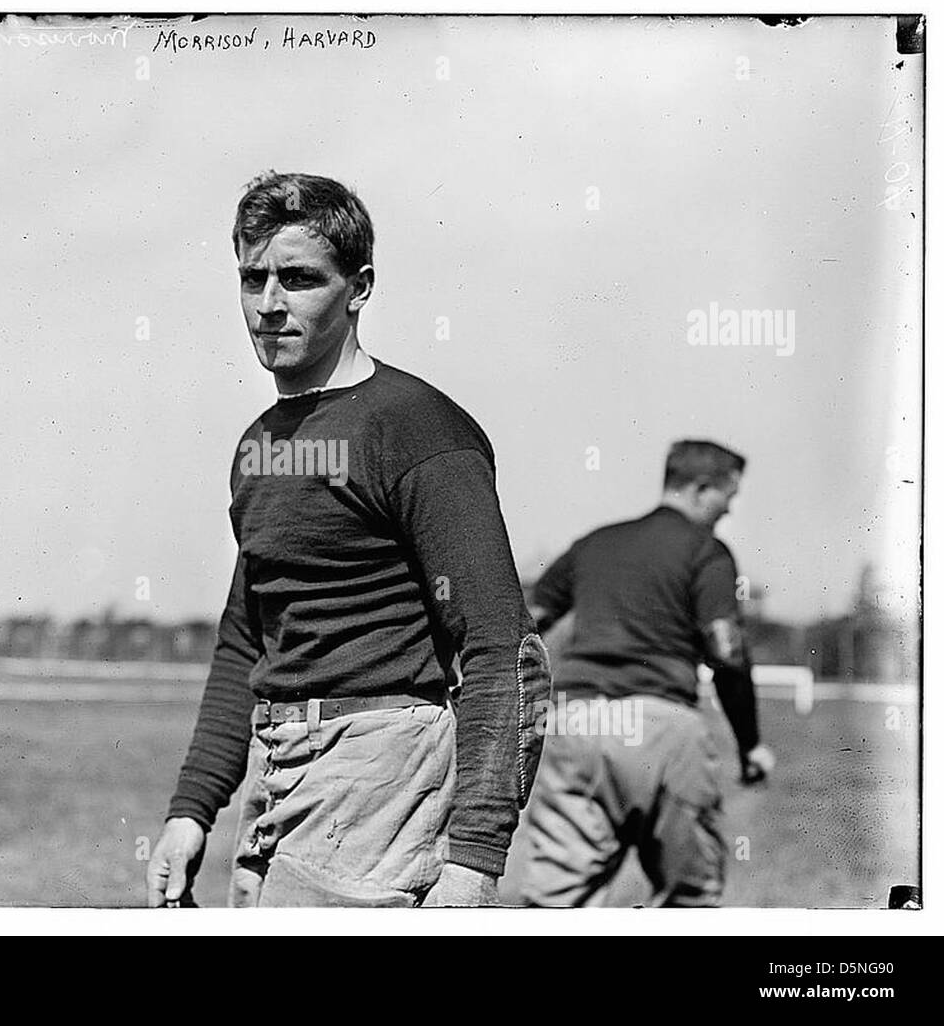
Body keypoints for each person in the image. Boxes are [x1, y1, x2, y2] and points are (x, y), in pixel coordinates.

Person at [145, 171, 550, 908]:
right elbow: (248, 635)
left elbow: (502, 646)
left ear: (358, 286)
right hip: (275, 782)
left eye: (298, 278)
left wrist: (475, 859)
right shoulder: (261, 444)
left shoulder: (418, 428)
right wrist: (191, 808)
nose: (270, 304)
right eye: (252, 277)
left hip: (378, 774)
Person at [518, 439, 775, 907]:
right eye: (726, 498)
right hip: (662, 729)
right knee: (689, 899)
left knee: (556, 905)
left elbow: (525, 623)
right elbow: (726, 652)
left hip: (574, 724)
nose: (728, 512)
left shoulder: (595, 543)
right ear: (700, 490)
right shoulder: (708, 551)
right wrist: (750, 744)